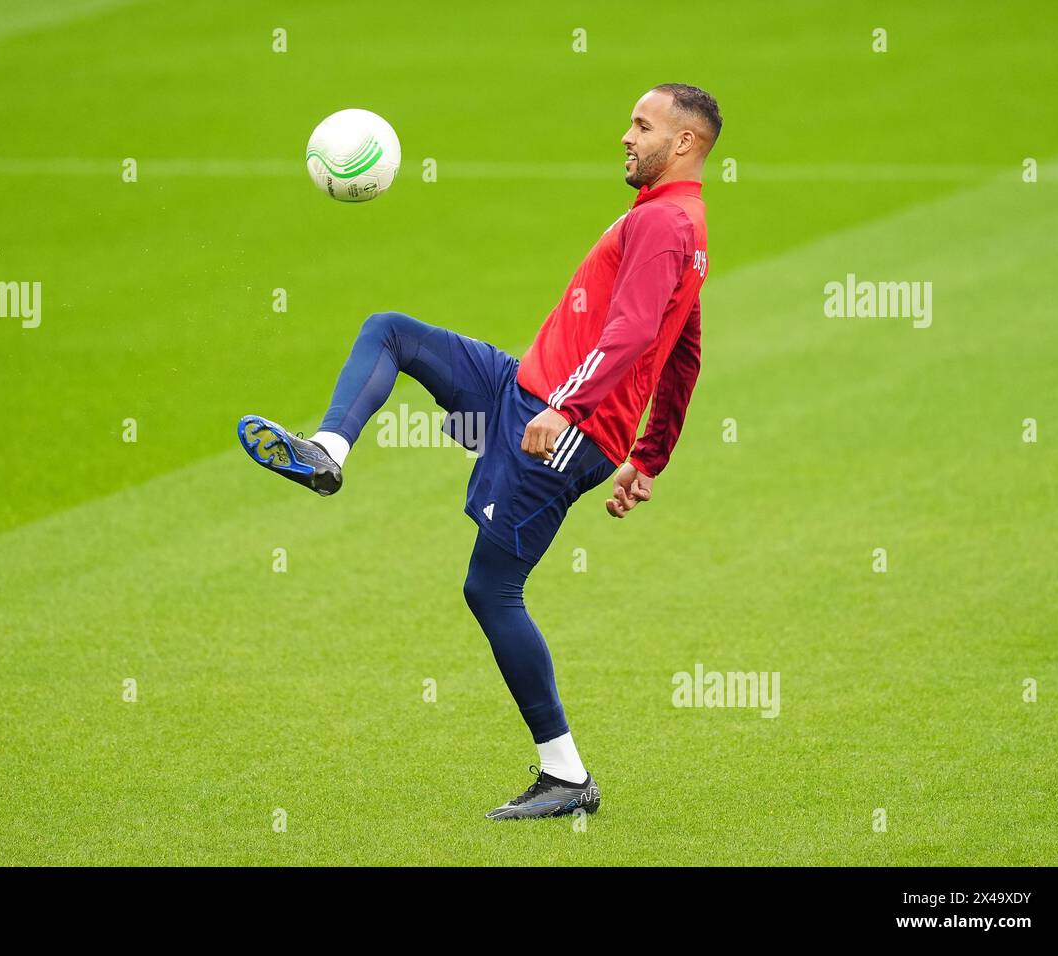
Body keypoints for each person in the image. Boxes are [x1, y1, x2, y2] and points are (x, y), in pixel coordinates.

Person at [237, 83, 720, 819]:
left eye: (642, 125)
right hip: (519, 390)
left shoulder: (663, 226)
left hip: (561, 427)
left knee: (491, 590)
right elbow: (684, 352)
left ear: (684, 142)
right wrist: (647, 460)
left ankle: (567, 778)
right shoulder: (679, 223)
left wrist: (568, 409)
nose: (625, 135)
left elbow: (630, 333)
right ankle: (329, 450)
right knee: (391, 331)